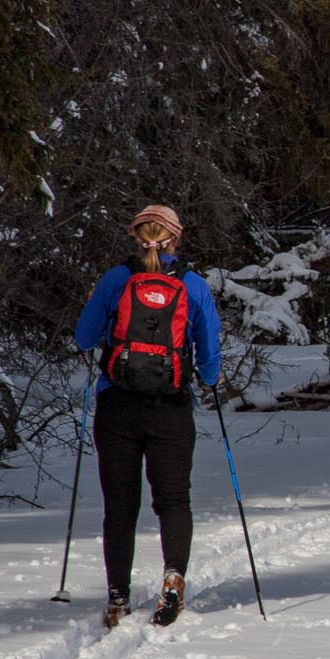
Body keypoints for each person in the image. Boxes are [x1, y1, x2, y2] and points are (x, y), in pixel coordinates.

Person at [75, 205, 222, 628]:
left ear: (135, 237)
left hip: (117, 405)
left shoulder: (116, 280)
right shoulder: (193, 286)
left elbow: (84, 338)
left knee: (120, 505)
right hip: (171, 409)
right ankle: (173, 577)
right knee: (173, 499)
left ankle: (118, 598)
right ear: (178, 238)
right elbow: (210, 361)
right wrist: (207, 375)